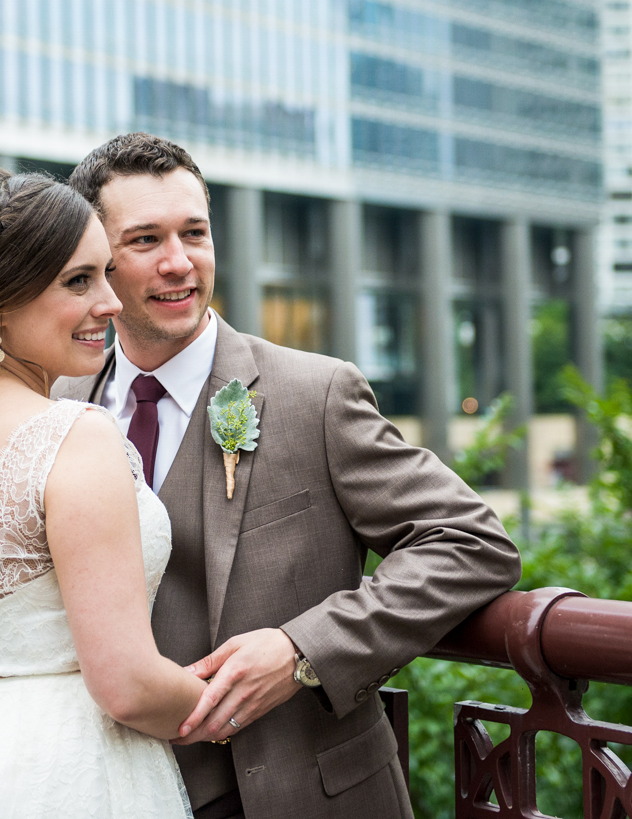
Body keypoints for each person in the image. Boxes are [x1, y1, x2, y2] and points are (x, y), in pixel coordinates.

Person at [55, 133, 522, 819]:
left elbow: (473, 543)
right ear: (96, 261)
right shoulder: (63, 404)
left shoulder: (316, 394)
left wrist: (304, 647)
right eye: (147, 240)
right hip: (115, 789)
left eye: (195, 232)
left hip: (297, 794)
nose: (180, 262)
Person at [0, 166, 201, 818]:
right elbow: (127, 685)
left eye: (106, 273)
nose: (109, 303)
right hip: (75, 776)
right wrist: (242, 702)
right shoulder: (73, 436)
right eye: (77, 281)